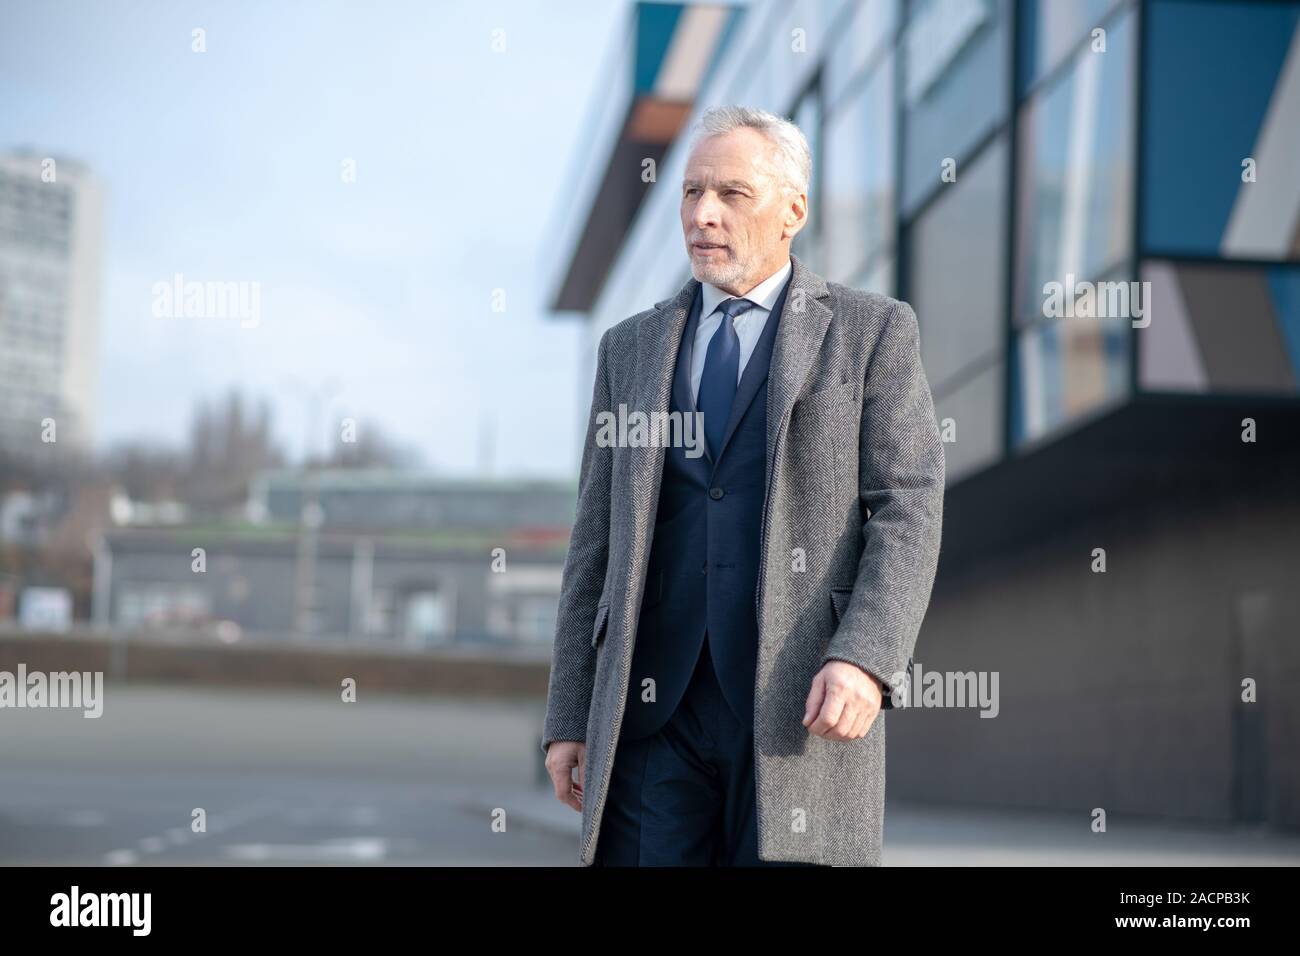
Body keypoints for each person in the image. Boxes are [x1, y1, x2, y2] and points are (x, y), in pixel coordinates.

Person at [541, 105, 945, 866]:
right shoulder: (628, 349)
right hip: (651, 719)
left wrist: (866, 656)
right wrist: (569, 711)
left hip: (799, 709)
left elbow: (909, 506)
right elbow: (592, 543)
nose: (703, 214)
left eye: (731, 194)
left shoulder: (872, 332)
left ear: (794, 209)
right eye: (691, 193)